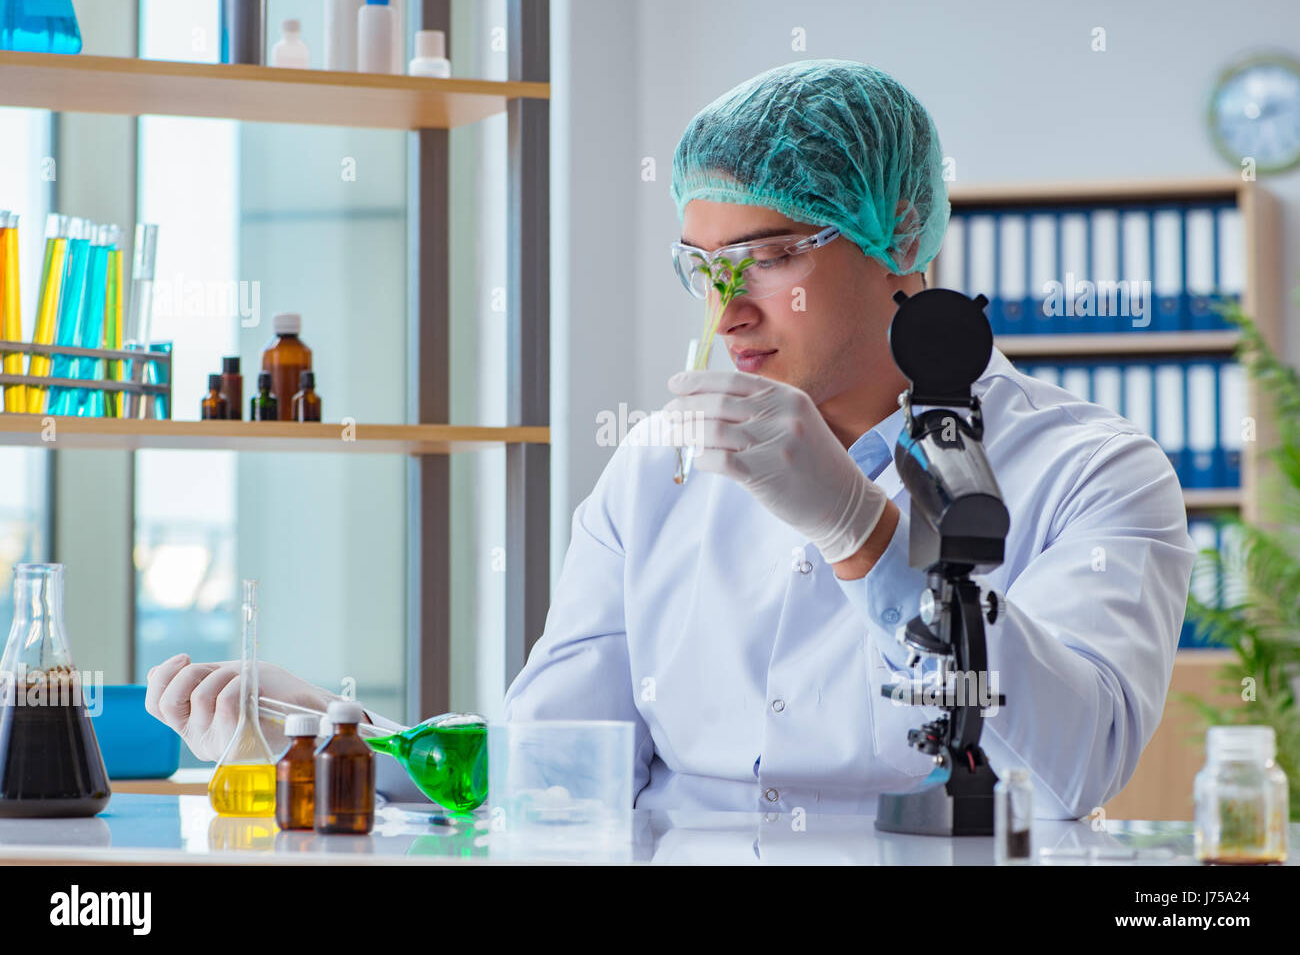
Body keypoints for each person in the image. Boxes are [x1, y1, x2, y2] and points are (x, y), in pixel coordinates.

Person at [147, 59, 1196, 817]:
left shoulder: (1090, 470)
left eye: (770, 253)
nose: (728, 308)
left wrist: (861, 531)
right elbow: (558, 766)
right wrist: (347, 743)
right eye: (703, 266)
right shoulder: (658, 462)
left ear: (903, 240)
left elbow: (1079, 759)